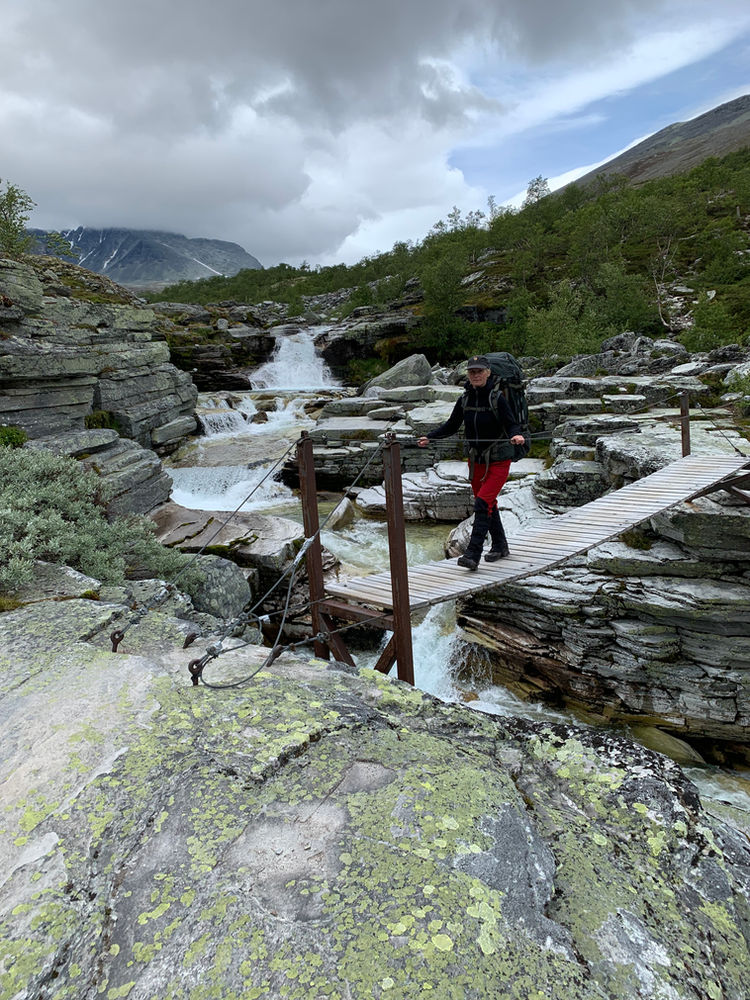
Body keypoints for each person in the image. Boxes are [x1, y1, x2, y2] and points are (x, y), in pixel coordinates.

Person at [417, 355, 526, 571]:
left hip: (498, 460)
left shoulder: (497, 398)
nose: (475, 375)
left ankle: (473, 554)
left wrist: (516, 435)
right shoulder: (465, 400)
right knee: (488, 503)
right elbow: (451, 425)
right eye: (472, 372)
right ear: (468, 374)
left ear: (488, 373)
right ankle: (500, 546)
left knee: (483, 503)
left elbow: (512, 424)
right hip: (476, 461)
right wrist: (430, 437)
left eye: (479, 371)